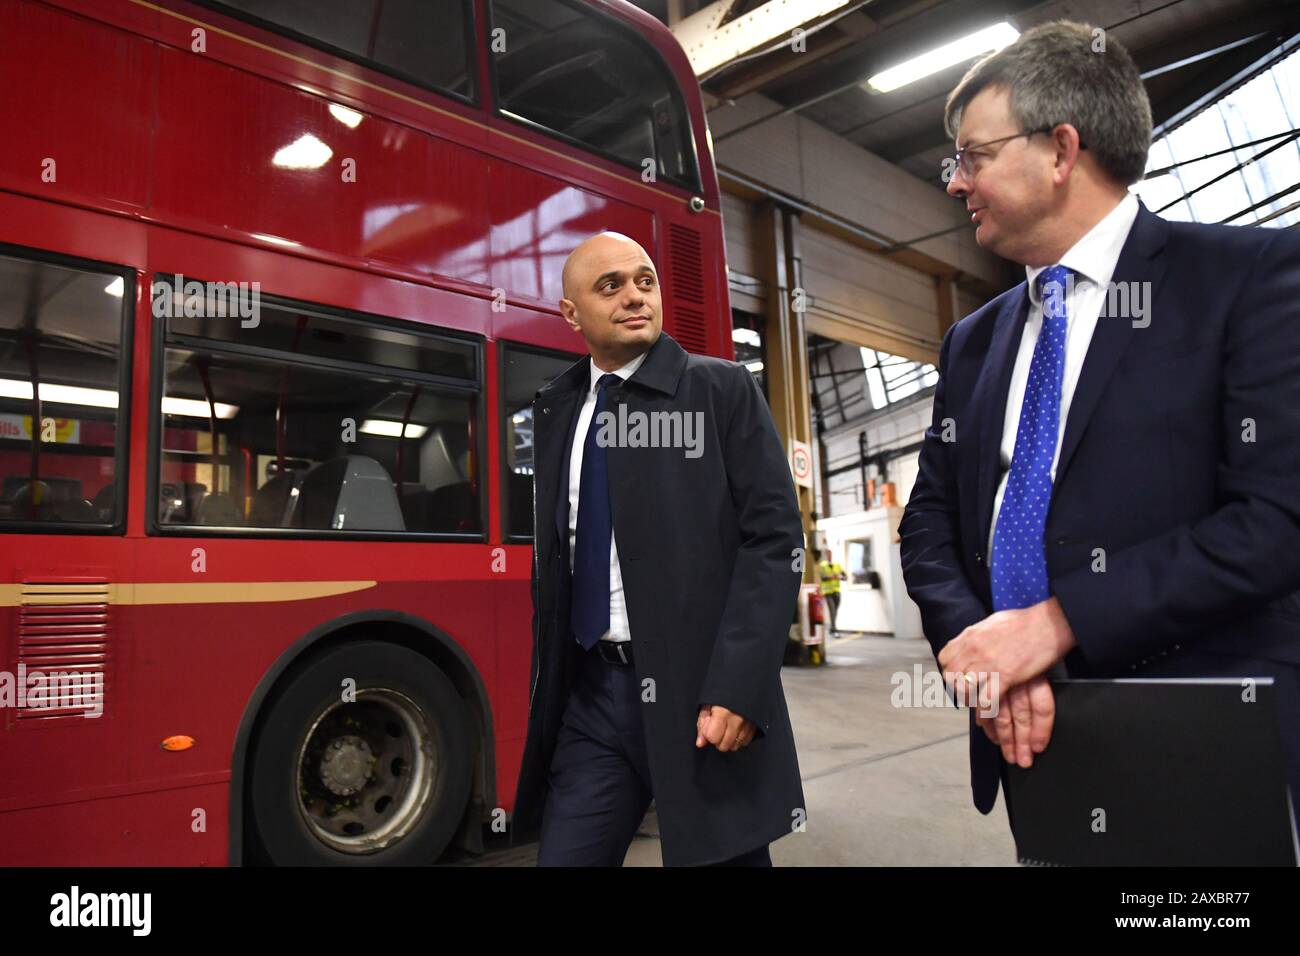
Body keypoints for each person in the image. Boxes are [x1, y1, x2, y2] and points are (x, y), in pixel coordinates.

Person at [899, 21, 1300, 828]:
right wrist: (986, 655)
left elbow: (1277, 521)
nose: (954, 182)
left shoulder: (1247, 279)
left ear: (1060, 151)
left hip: (1203, 734)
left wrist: (1060, 623)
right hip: (1024, 731)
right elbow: (930, 523)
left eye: (973, 156)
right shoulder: (974, 342)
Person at [511, 231, 806, 866]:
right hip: (592, 698)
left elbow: (774, 540)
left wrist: (739, 685)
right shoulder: (558, 409)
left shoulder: (721, 390)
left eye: (644, 281)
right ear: (571, 313)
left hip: (698, 696)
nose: (634, 296)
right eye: (609, 286)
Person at [817, 548, 846, 635]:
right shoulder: (822, 565)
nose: (829, 556)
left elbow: (845, 577)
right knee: (832, 610)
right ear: (825, 555)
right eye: (827, 554)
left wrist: (840, 577)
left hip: (837, 591)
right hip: (827, 591)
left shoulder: (837, 565)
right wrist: (831, 577)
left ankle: (832, 627)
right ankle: (834, 629)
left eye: (830, 554)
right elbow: (822, 577)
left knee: (835, 610)